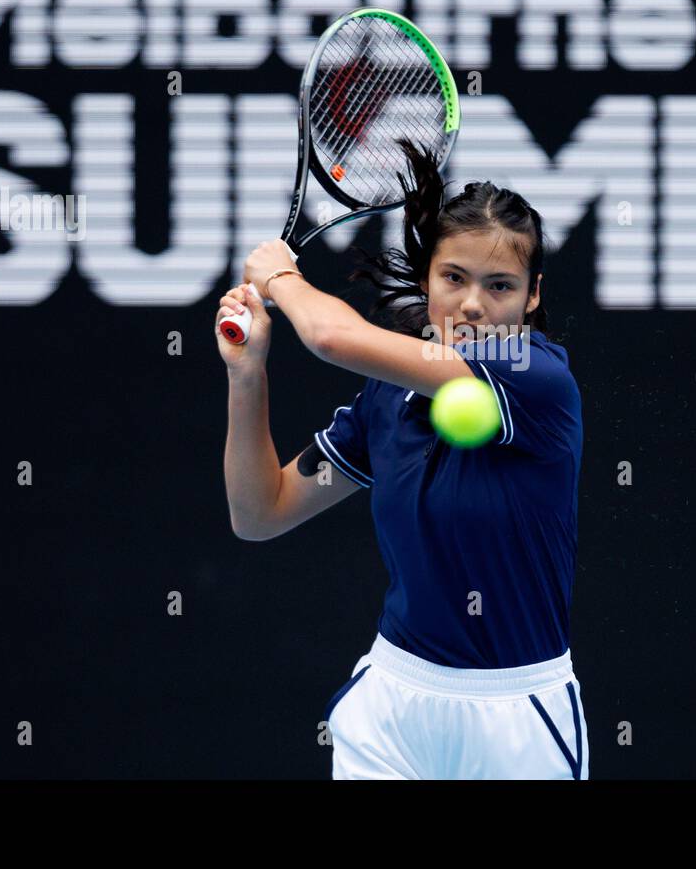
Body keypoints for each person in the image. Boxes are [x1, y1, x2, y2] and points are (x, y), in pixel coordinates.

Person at [217, 139, 587, 779]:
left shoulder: (537, 377)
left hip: (517, 714)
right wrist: (247, 376)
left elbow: (332, 337)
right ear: (427, 281)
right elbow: (260, 511)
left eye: (500, 285)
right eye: (454, 278)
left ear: (531, 298)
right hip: (393, 706)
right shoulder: (388, 397)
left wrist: (280, 276)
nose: (472, 304)